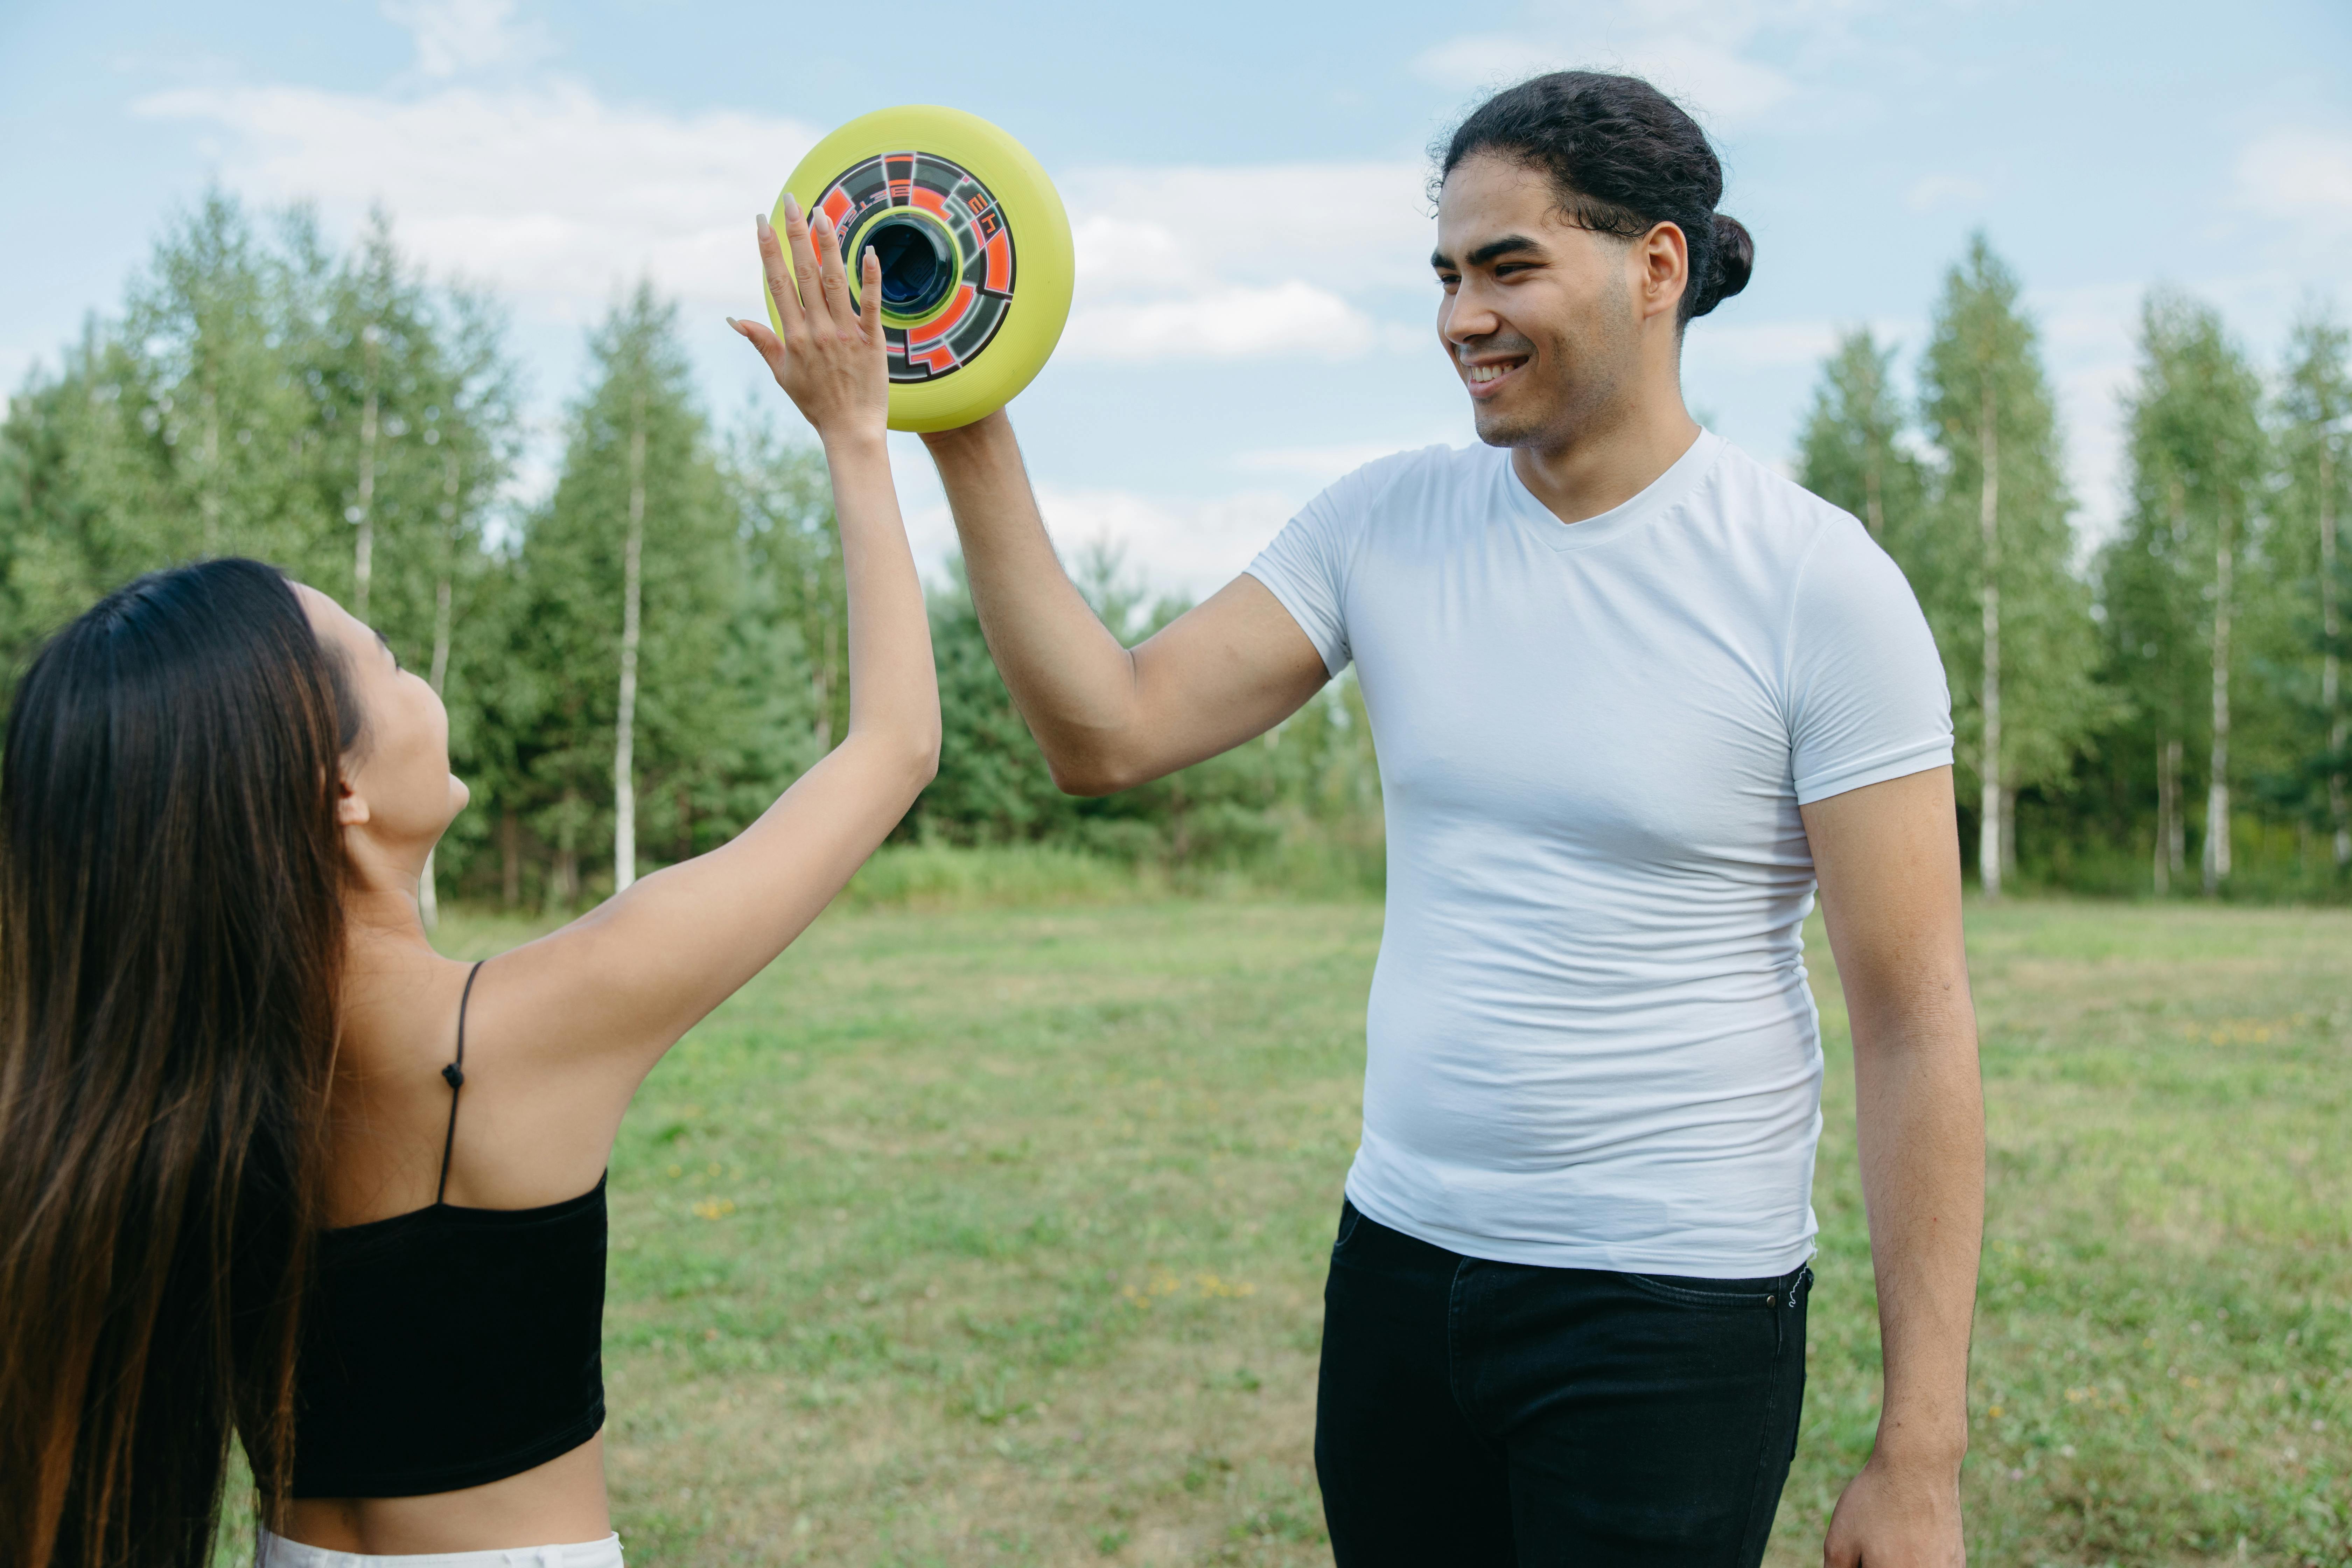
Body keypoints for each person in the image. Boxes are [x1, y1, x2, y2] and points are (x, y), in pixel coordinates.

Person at [919, 71, 1984, 1567]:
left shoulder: (1817, 584)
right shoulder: (1384, 525)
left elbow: (1915, 1022)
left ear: (1656, 266)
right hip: (1403, 1274)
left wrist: (1920, 1452)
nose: (1459, 319)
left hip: (1672, 1309)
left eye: (1508, 267)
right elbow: (1107, 729)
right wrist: (964, 415)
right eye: (1445, 274)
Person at [0, 200, 926, 1567]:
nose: (423, 682)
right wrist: (859, 435)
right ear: (344, 792)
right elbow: (897, 743)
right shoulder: (537, 1024)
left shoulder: (147, 1075)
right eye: (386, 661)